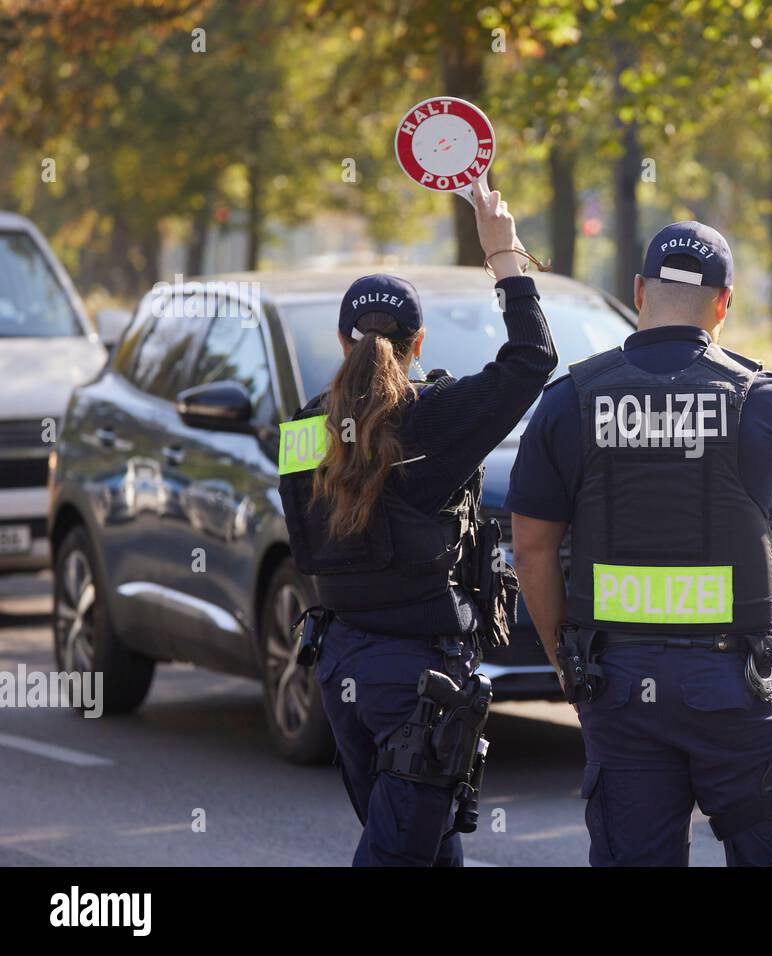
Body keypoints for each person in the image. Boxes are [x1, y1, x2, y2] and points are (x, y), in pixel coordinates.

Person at [507, 220, 772, 866]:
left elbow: (531, 547)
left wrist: (567, 661)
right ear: (723, 303)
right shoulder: (763, 399)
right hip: (737, 686)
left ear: (640, 290)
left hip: (618, 682)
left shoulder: (570, 402)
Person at [277, 181, 557, 866]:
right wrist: (505, 257)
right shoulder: (431, 421)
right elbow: (532, 360)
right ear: (418, 341)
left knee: (426, 847)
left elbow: (311, 539)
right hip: (420, 676)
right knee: (400, 854)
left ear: (343, 339)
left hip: (340, 663)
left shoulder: (301, 430)